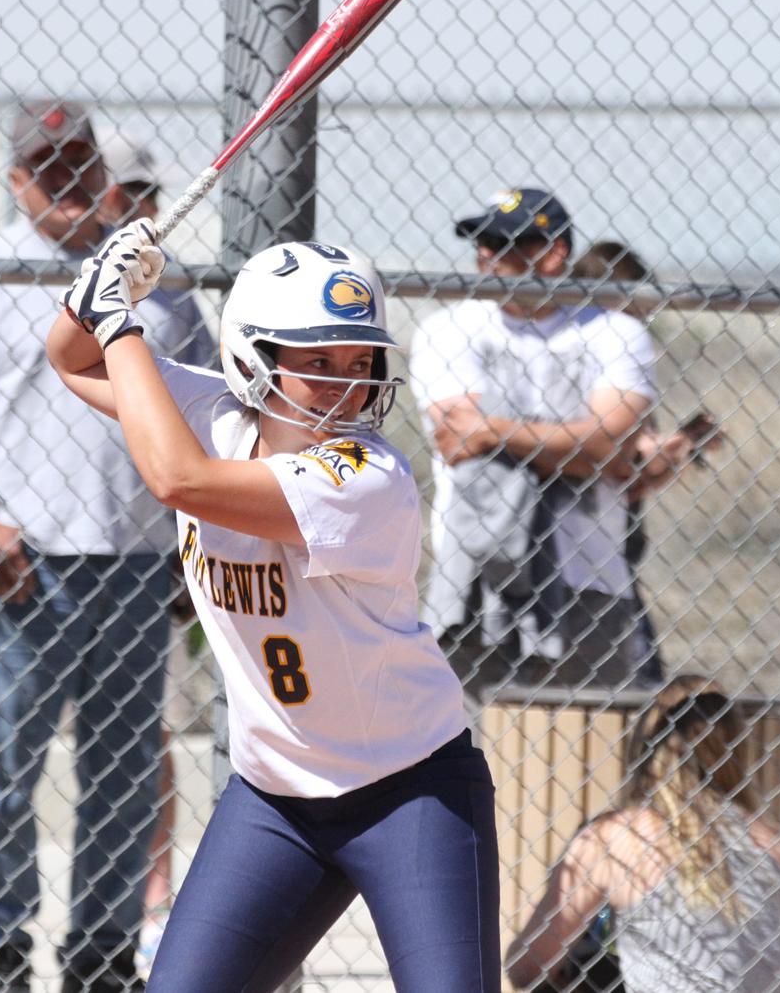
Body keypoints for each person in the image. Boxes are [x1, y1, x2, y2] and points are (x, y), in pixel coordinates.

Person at [48, 227, 500, 992]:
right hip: (274, 799)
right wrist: (95, 287)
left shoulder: (367, 476)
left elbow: (179, 479)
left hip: (409, 788)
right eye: (316, 360)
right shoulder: (211, 412)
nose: (344, 385)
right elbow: (72, 358)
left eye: (359, 363)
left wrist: (117, 318)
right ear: (251, 355)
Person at [0, 102, 208, 993]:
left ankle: (102, 951)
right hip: (25, 563)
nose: (68, 180)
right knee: (10, 769)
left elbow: (202, 412)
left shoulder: (151, 277)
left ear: (102, 173)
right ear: (16, 180)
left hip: (138, 563)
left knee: (123, 771)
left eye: (80, 162)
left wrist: (190, 542)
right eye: (47, 167)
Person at [409, 188, 657, 693]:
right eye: (482, 244)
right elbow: (458, 440)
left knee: (588, 740)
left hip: (588, 579)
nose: (487, 257)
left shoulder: (615, 332)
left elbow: (606, 448)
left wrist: (494, 431)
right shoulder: (446, 330)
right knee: (464, 742)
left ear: (554, 253)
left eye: (506, 244)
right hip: (476, 578)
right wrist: (577, 442)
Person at [98, 127, 219, 979]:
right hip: (51, 551)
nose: (138, 208)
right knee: (37, 748)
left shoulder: (172, 297)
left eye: (147, 194)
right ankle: (25, 927)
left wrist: (189, 546)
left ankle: (153, 898)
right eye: (123, 194)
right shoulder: (63, 284)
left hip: (155, 555)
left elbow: (210, 422)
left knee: (152, 734)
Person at [505, 676, 780, 993]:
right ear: (737, 752)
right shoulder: (777, 847)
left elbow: (526, 968)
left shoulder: (618, 838)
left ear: (644, 747)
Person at [568, 242, 726, 683]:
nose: (643, 320)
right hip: (594, 559)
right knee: (637, 686)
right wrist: (682, 446)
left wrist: (678, 447)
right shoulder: (607, 354)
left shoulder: (584, 351)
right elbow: (631, 469)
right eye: (639, 306)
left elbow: (631, 466)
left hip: (600, 553)